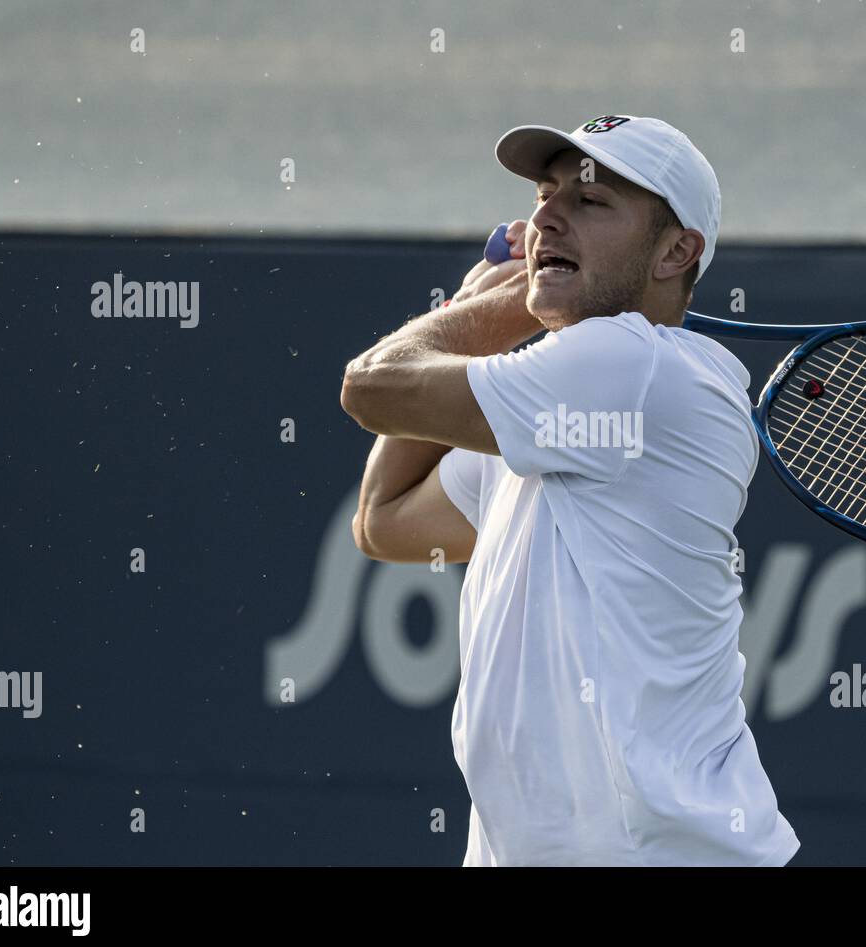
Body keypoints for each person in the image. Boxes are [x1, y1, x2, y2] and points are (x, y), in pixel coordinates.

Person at [340, 114, 800, 866]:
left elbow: (371, 388)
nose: (546, 218)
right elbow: (385, 521)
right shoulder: (554, 406)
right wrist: (479, 315)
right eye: (545, 196)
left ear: (676, 252)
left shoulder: (631, 364)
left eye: (590, 202)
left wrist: (491, 308)